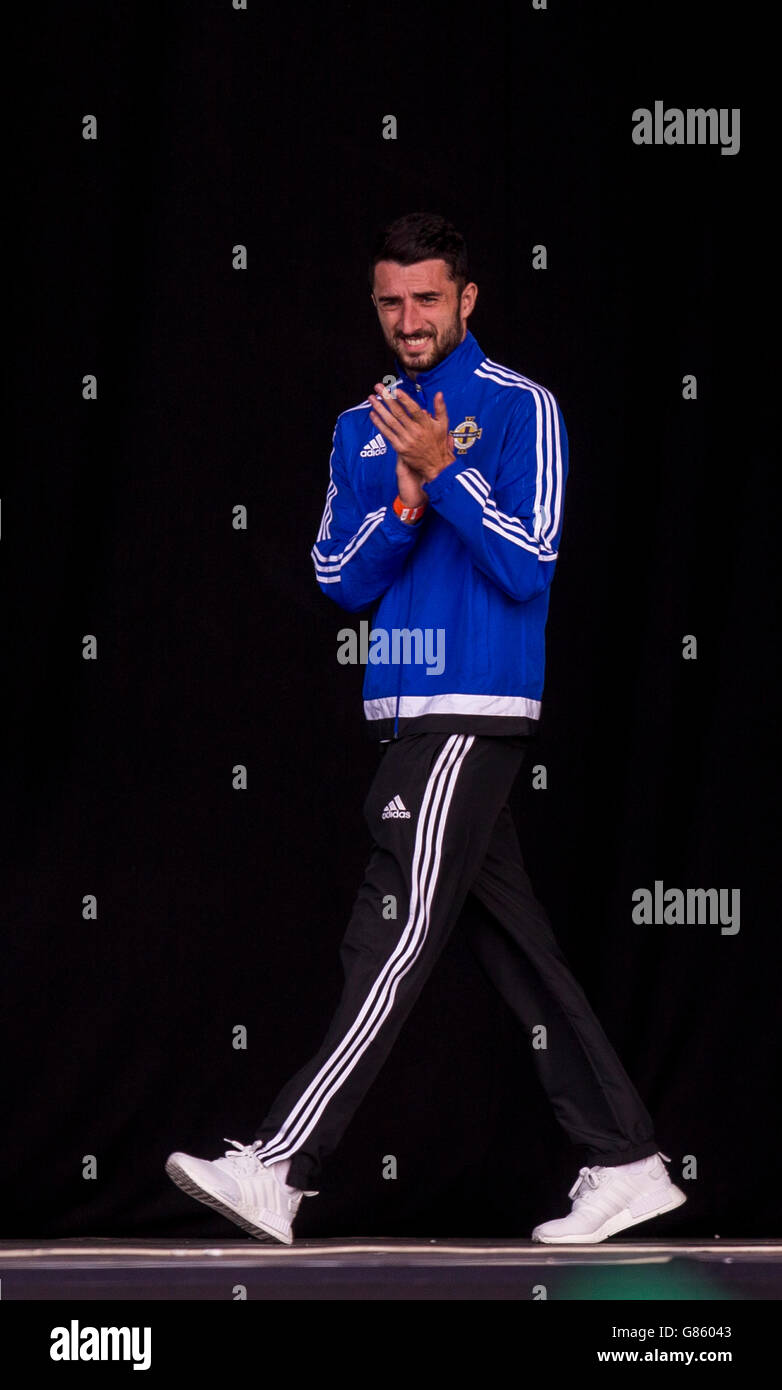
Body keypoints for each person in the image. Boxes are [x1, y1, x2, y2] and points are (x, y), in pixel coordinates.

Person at [165, 212, 686, 1246]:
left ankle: (279, 1164)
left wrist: (444, 470)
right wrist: (404, 496)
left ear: (466, 300)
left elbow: (528, 558)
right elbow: (335, 578)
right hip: (400, 709)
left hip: (469, 708)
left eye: (426, 299)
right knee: (512, 946)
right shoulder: (358, 427)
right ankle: (624, 1158)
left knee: (391, 932)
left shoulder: (517, 405)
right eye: (389, 302)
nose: (407, 319)